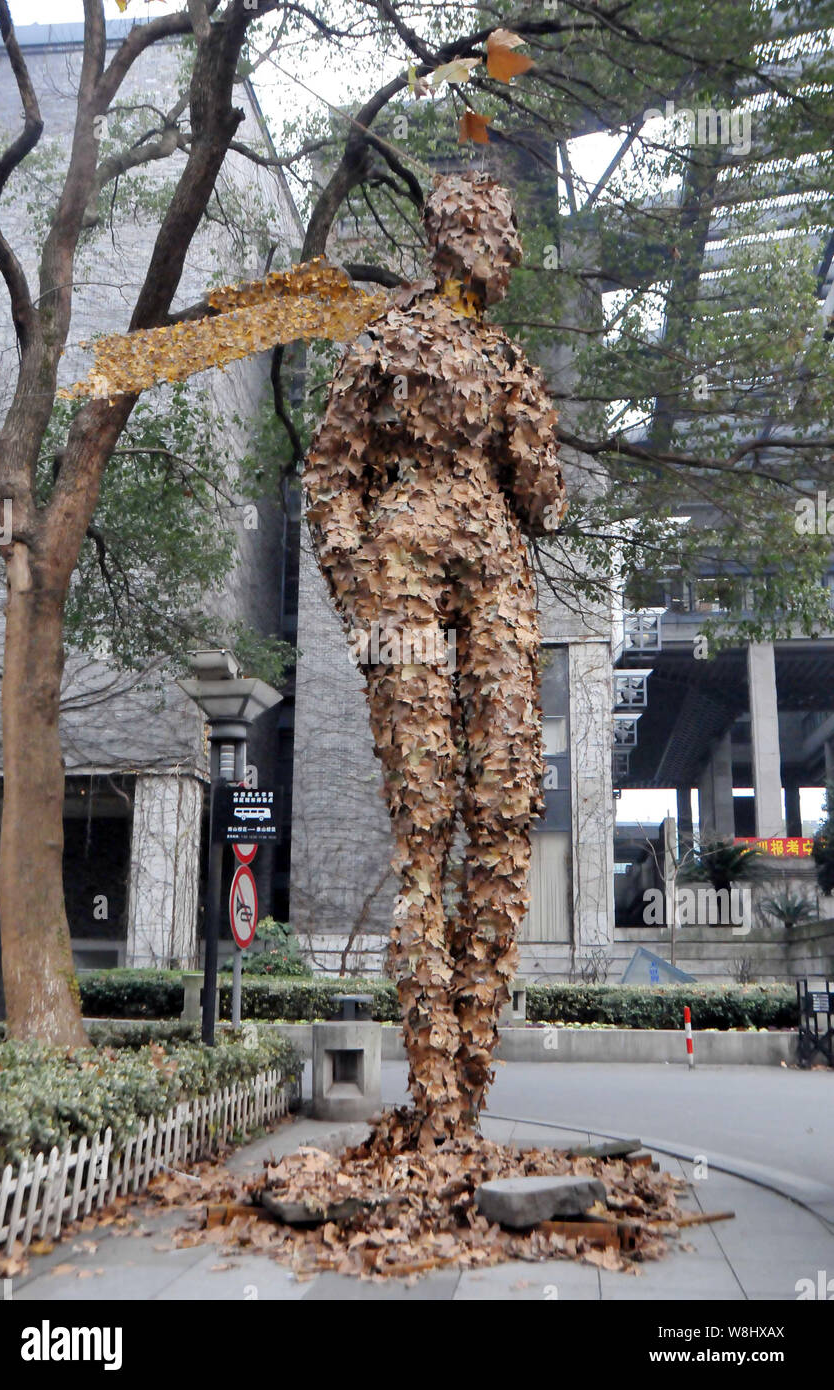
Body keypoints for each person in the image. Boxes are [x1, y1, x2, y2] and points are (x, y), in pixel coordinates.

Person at [303, 170, 565, 1141]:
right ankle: (436, 1090)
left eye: (505, 234)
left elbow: (540, 499)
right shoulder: (380, 341)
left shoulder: (505, 358)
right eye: (490, 231)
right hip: (404, 558)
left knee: (503, 797)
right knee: (422, 812)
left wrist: (529, 420)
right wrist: (357, 586)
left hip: (495, 563)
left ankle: (469, 1082)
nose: (507, 251)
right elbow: (328, 472)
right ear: (450, 238)